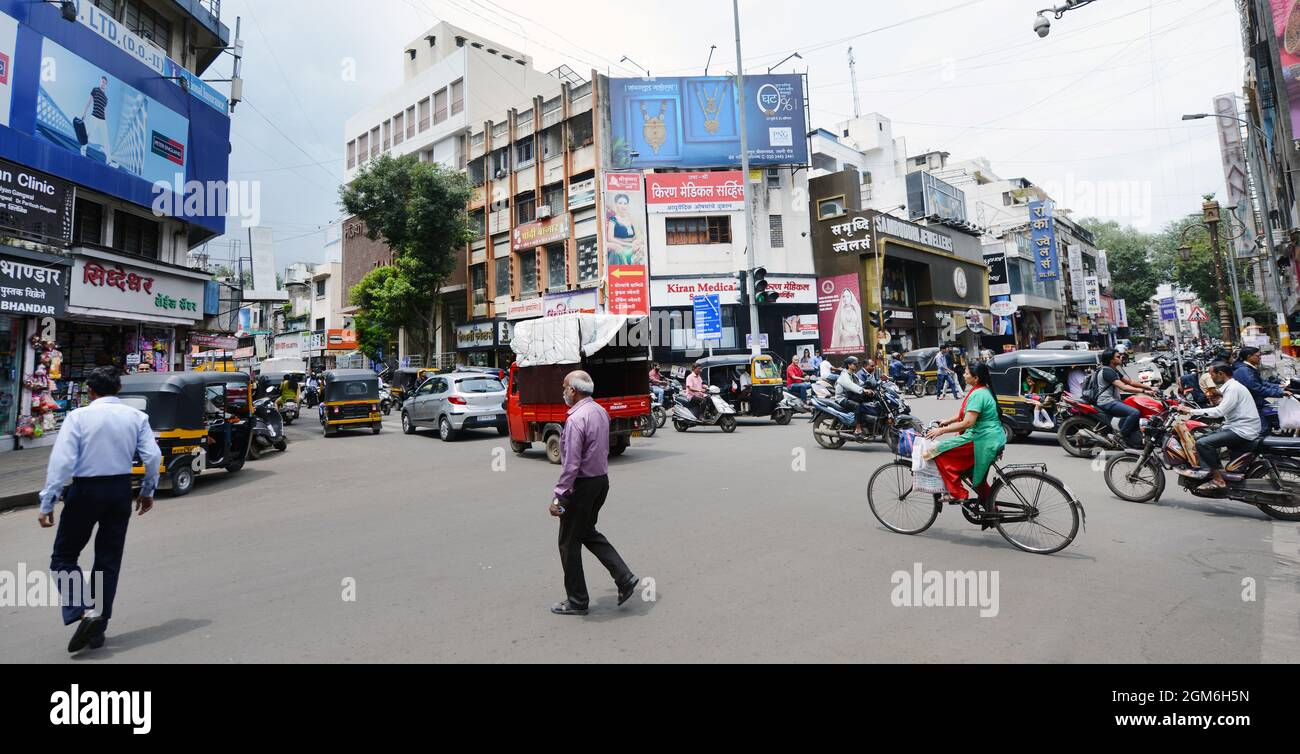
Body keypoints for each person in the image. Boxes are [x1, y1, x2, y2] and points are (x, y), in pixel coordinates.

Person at [38, 366, 160, 653]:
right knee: (108, 559)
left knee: (63, 557)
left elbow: (62, 462)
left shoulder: (78, 416)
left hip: (86, 491)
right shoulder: (136, 417)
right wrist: (147, 491)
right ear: (118, 389)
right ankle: (96, 629)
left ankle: (83, 612)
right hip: (119, 491)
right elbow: (152, 456)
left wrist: (48, 500)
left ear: (90, 391)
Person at [549, 370, 638, 616]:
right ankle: (624, 577)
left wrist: (559, 496)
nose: (563, 391)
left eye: (565, 387)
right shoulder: (600, 412)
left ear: (574, 391)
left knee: (568, 543)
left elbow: (571, 465)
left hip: (582, 486)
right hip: (600, 482)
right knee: (586, 532)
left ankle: (577, 600)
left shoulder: (577, 419)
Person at [924, 360, 1007, 510]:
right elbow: (964, 414)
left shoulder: (978, 394)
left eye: (967, 373)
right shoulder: (981, 390)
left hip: (982, 439)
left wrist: (940, 431)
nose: (964, 374)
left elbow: (967, 422)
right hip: (991, 436)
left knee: (938, 452)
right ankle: (992, 510)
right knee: (976, 478)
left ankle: (958, 493)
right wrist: (946, 421)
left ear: (976, 378)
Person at [1179, 363, 1260, 493]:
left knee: (1203, 443)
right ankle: (1214, 470)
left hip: (1241, 429)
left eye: (1212, 375)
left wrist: (1191, 411)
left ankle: (1217, 479)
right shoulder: (1231, 387)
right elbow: (1221, 400)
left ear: (1221, 374)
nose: (1211, 378)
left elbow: (1219, 412)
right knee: (1207, 436)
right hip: (1238, 426)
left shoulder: (1233, 388)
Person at [1089, 348, 1153, 449]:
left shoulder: (1113, 370)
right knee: (1134, 413)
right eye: (1118, 357)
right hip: (1106, 401)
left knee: (1137, 408)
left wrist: (1150, 387)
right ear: (1111, 359)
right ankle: (1120, 437)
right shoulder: (1106, 371)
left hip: (1113, 400)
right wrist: (1144, 392)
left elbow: (1130, 382)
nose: (1121, 358)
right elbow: (1123, 387)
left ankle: (1134, 439)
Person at [1232, 346, 1292, 436]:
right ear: (1249, 357)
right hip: (1251, 403)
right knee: (1263, 429)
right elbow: (1257, 388)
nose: (1260, 358)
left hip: (1256, 401)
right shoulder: (1244, 370)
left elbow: (1262, 383)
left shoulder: (1248, 368)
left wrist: (1279, 386)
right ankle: (1261, 447)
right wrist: (1280, 392)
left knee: (1274, 414)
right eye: (1257, 356)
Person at [80, 76, 117, 167]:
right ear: (100, 82)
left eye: (104, 82)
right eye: (102, 82)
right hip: (94, 117)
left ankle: (109, 161)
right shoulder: (95, 90)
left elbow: (104, 111)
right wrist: (84, 113)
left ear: (106, 85)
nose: (102, 84)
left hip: (102, 120)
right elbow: (89, 102)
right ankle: (83, 149)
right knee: (88, 134)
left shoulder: (106, 99)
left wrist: (105, 122)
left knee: (106, 140)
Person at [835, 356, 876, 438]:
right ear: (849, 365)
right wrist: (864, 390)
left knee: (868, 401)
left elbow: (861, 383)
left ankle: (867, 424)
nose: (857, 366)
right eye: (855, 364)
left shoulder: (853, 375)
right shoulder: (844, 375)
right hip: (843, 398)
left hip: (850, 396)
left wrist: (870, 388)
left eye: (857, 364)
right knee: (857, 405)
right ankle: (858, 428)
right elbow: (851, 385)